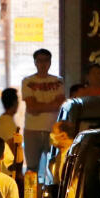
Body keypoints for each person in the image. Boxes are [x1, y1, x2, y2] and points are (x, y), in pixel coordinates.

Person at [22, 49, 66, 179]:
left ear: (50, 62)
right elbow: (31, 107)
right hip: (32, 129)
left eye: (46, 60)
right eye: (40, 61)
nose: (43, 64)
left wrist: (39, 106)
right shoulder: (27, 81)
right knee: (31, 168)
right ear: (35, 62)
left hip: (53, 129)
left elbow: (60, 104)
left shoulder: (58, 81)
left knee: (55, 166)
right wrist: (51, 105)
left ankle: (53, 196)